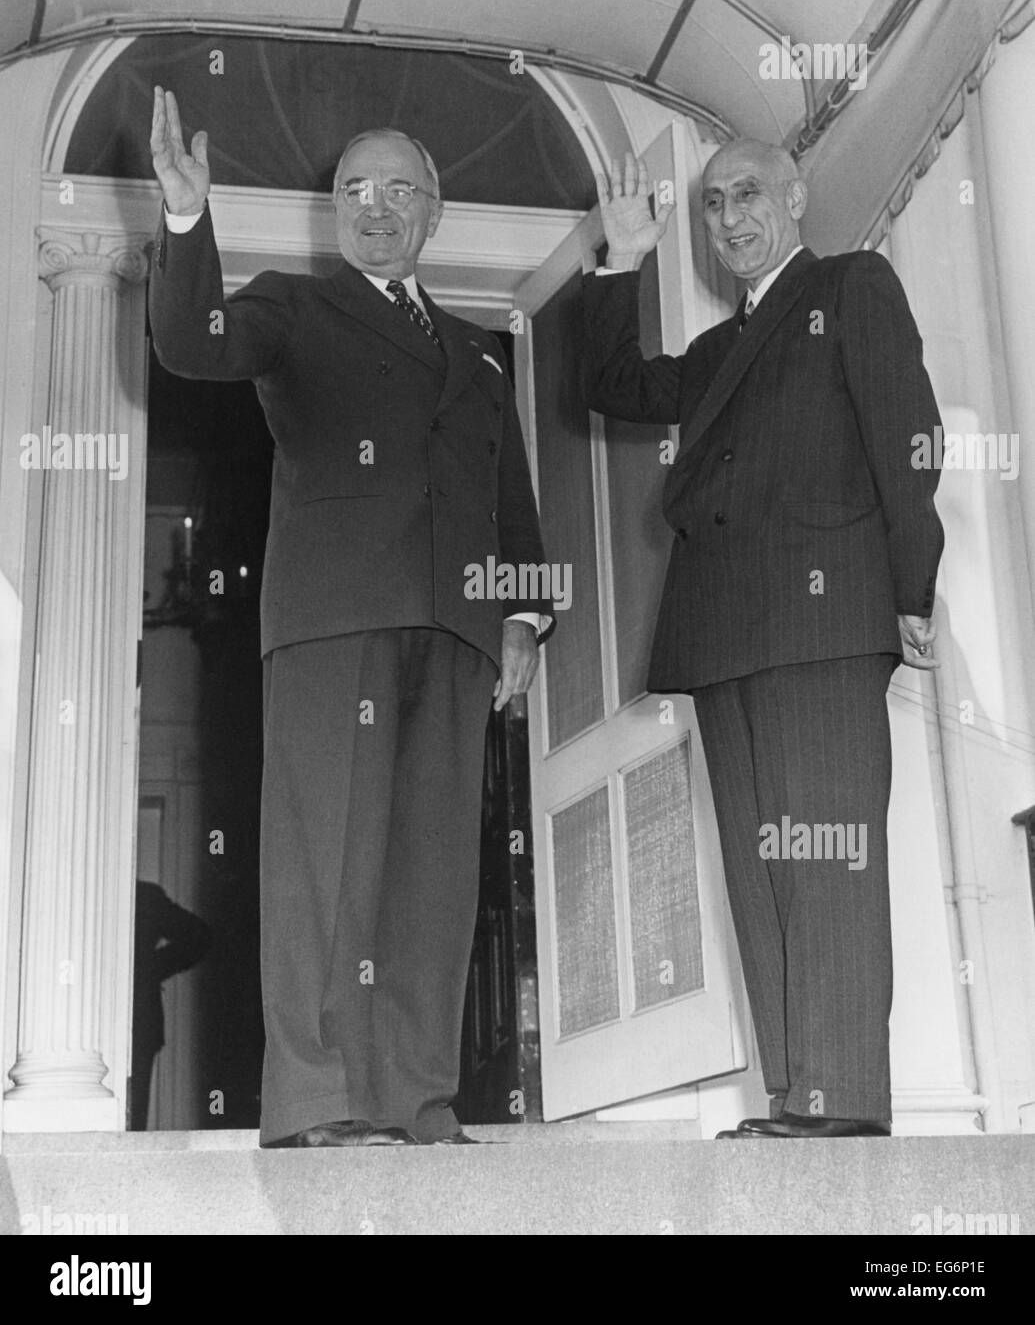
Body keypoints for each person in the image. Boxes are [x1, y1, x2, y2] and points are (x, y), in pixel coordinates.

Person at [148, 88, 551, 1148]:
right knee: (324, 861)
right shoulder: (295, 305)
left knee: (432, 872)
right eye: (352, 190)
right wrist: (189, 220)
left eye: (396, 190)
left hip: (459, 630)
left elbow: (509, 495)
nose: (373, 208)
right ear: (337, 213)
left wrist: (523, 619)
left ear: (434, 213)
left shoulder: (479, 352)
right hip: (334, 619)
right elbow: (197, 340)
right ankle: (317, 1099)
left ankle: (415, 1099)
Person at [584, 142, 943, 1138]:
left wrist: (913, 585)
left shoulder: (850, 285)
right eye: (710, 205)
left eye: (747, 195)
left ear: (794, 197)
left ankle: (842, 1101)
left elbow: (908, 434)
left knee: (827, 859)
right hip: (723, 630)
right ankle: (798, 1095)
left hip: (824, 619)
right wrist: (619, 258)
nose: (729, 217)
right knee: (762, 871)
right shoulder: (718, 351)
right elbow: (613, 382)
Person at [131, 880, 212, 1131]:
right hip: (135, 1019)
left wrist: (146, 969)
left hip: (138, 1019)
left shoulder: (142, 896)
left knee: (133, 1118)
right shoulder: (142, 894)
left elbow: (198, 935)